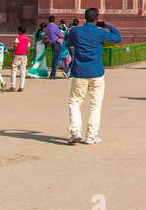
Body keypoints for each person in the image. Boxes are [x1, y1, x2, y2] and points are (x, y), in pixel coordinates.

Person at [59, 8, 122, 145]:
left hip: (79, 72)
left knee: (74, 102)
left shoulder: (75, 31)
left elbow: (68, 43)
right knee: (95, 104)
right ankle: (91, 136)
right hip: (96, 72)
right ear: (97, 18)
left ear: (84, 17)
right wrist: (107, 26)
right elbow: (118, 38)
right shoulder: (100, 32)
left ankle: (75, 131)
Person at [11, 26, 31, 92]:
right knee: (23, 71)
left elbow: (15, 46)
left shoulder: (17, 38)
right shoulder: (27, 39)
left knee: (14, 69)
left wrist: (13, 54)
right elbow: (28, 49)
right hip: (24, 55)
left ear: (19, 31)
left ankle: (13, 86)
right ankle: (21, 87)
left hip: (17, 54)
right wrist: (27, 56)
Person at [43, 15, 63, 80]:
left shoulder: (48, 27)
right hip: (56, 43)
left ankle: (52, 74)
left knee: (55, 58)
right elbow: (61, 34)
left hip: (52, 43)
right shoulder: (54, 27)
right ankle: (53, 74)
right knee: (56, 59)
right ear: (54, 20)